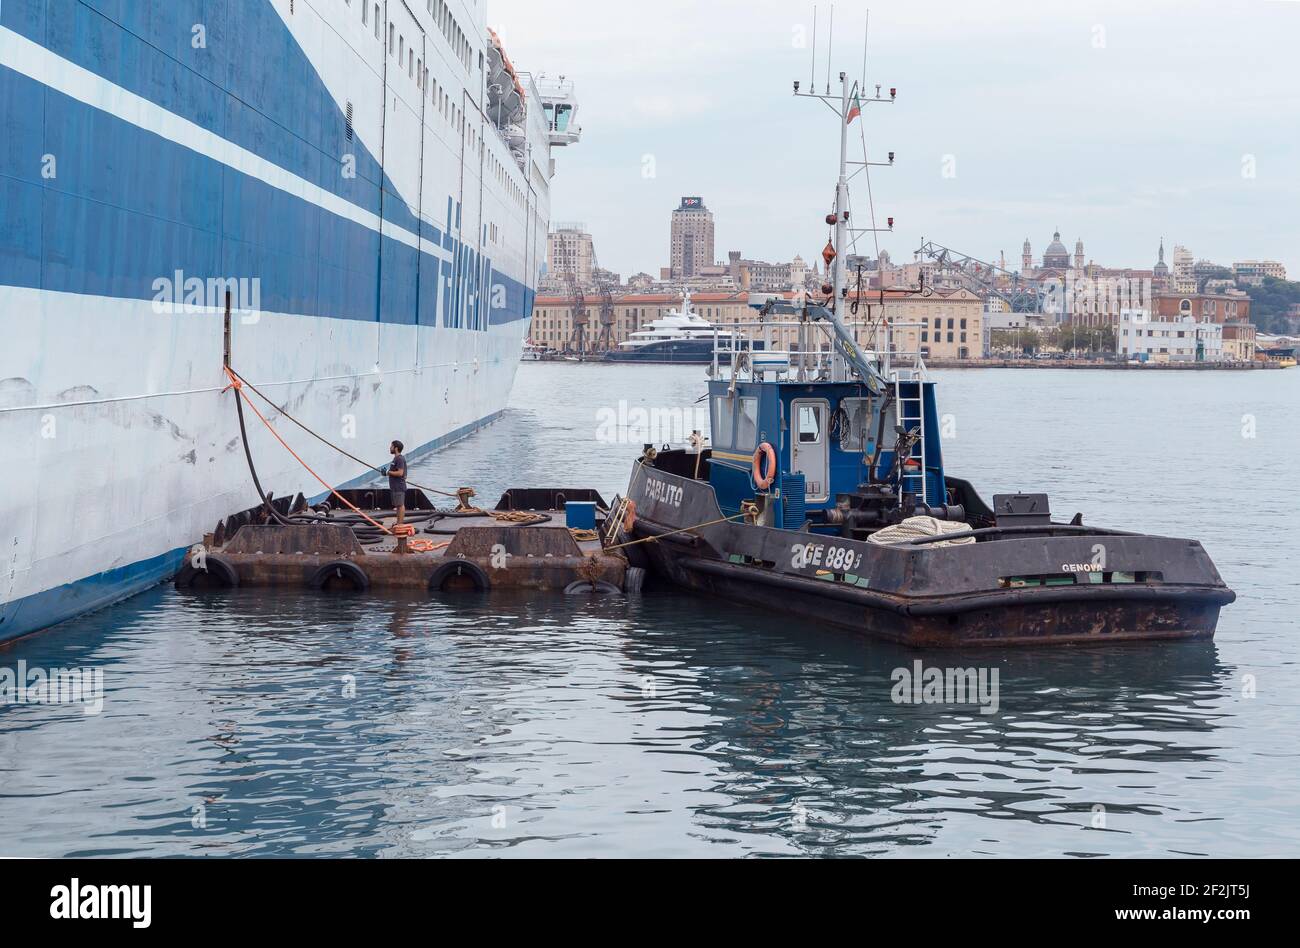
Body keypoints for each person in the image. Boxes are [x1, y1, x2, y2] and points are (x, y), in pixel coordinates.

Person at [386, 440, 407, 525]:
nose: (390, 448)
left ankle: (400, 524)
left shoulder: (399, 459)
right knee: (398, 505)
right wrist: (387, 473)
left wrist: (388, 472)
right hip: (395, 487)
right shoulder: (396, 459)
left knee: (400, 505)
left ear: (396, 448)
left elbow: (400, 473)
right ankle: (398, 523)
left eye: (391, 446)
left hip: (399, 486)